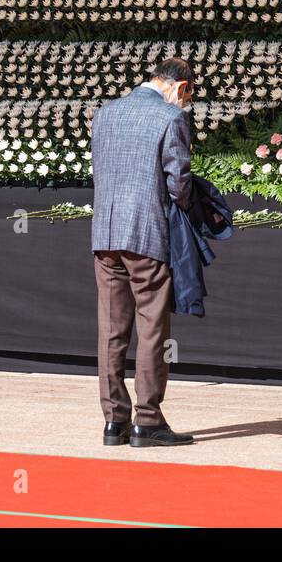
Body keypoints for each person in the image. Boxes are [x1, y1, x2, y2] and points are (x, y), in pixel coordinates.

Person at [90, 57, 197, 447]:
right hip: (147, 233)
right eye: (187, 96)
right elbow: (179, 182)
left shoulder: (106, 113)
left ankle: (113, 421)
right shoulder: (171, 119)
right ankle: (147, 420)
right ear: (179, 87)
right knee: (152, 328)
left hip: (105, 232)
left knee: (111, 330)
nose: (184, 103)